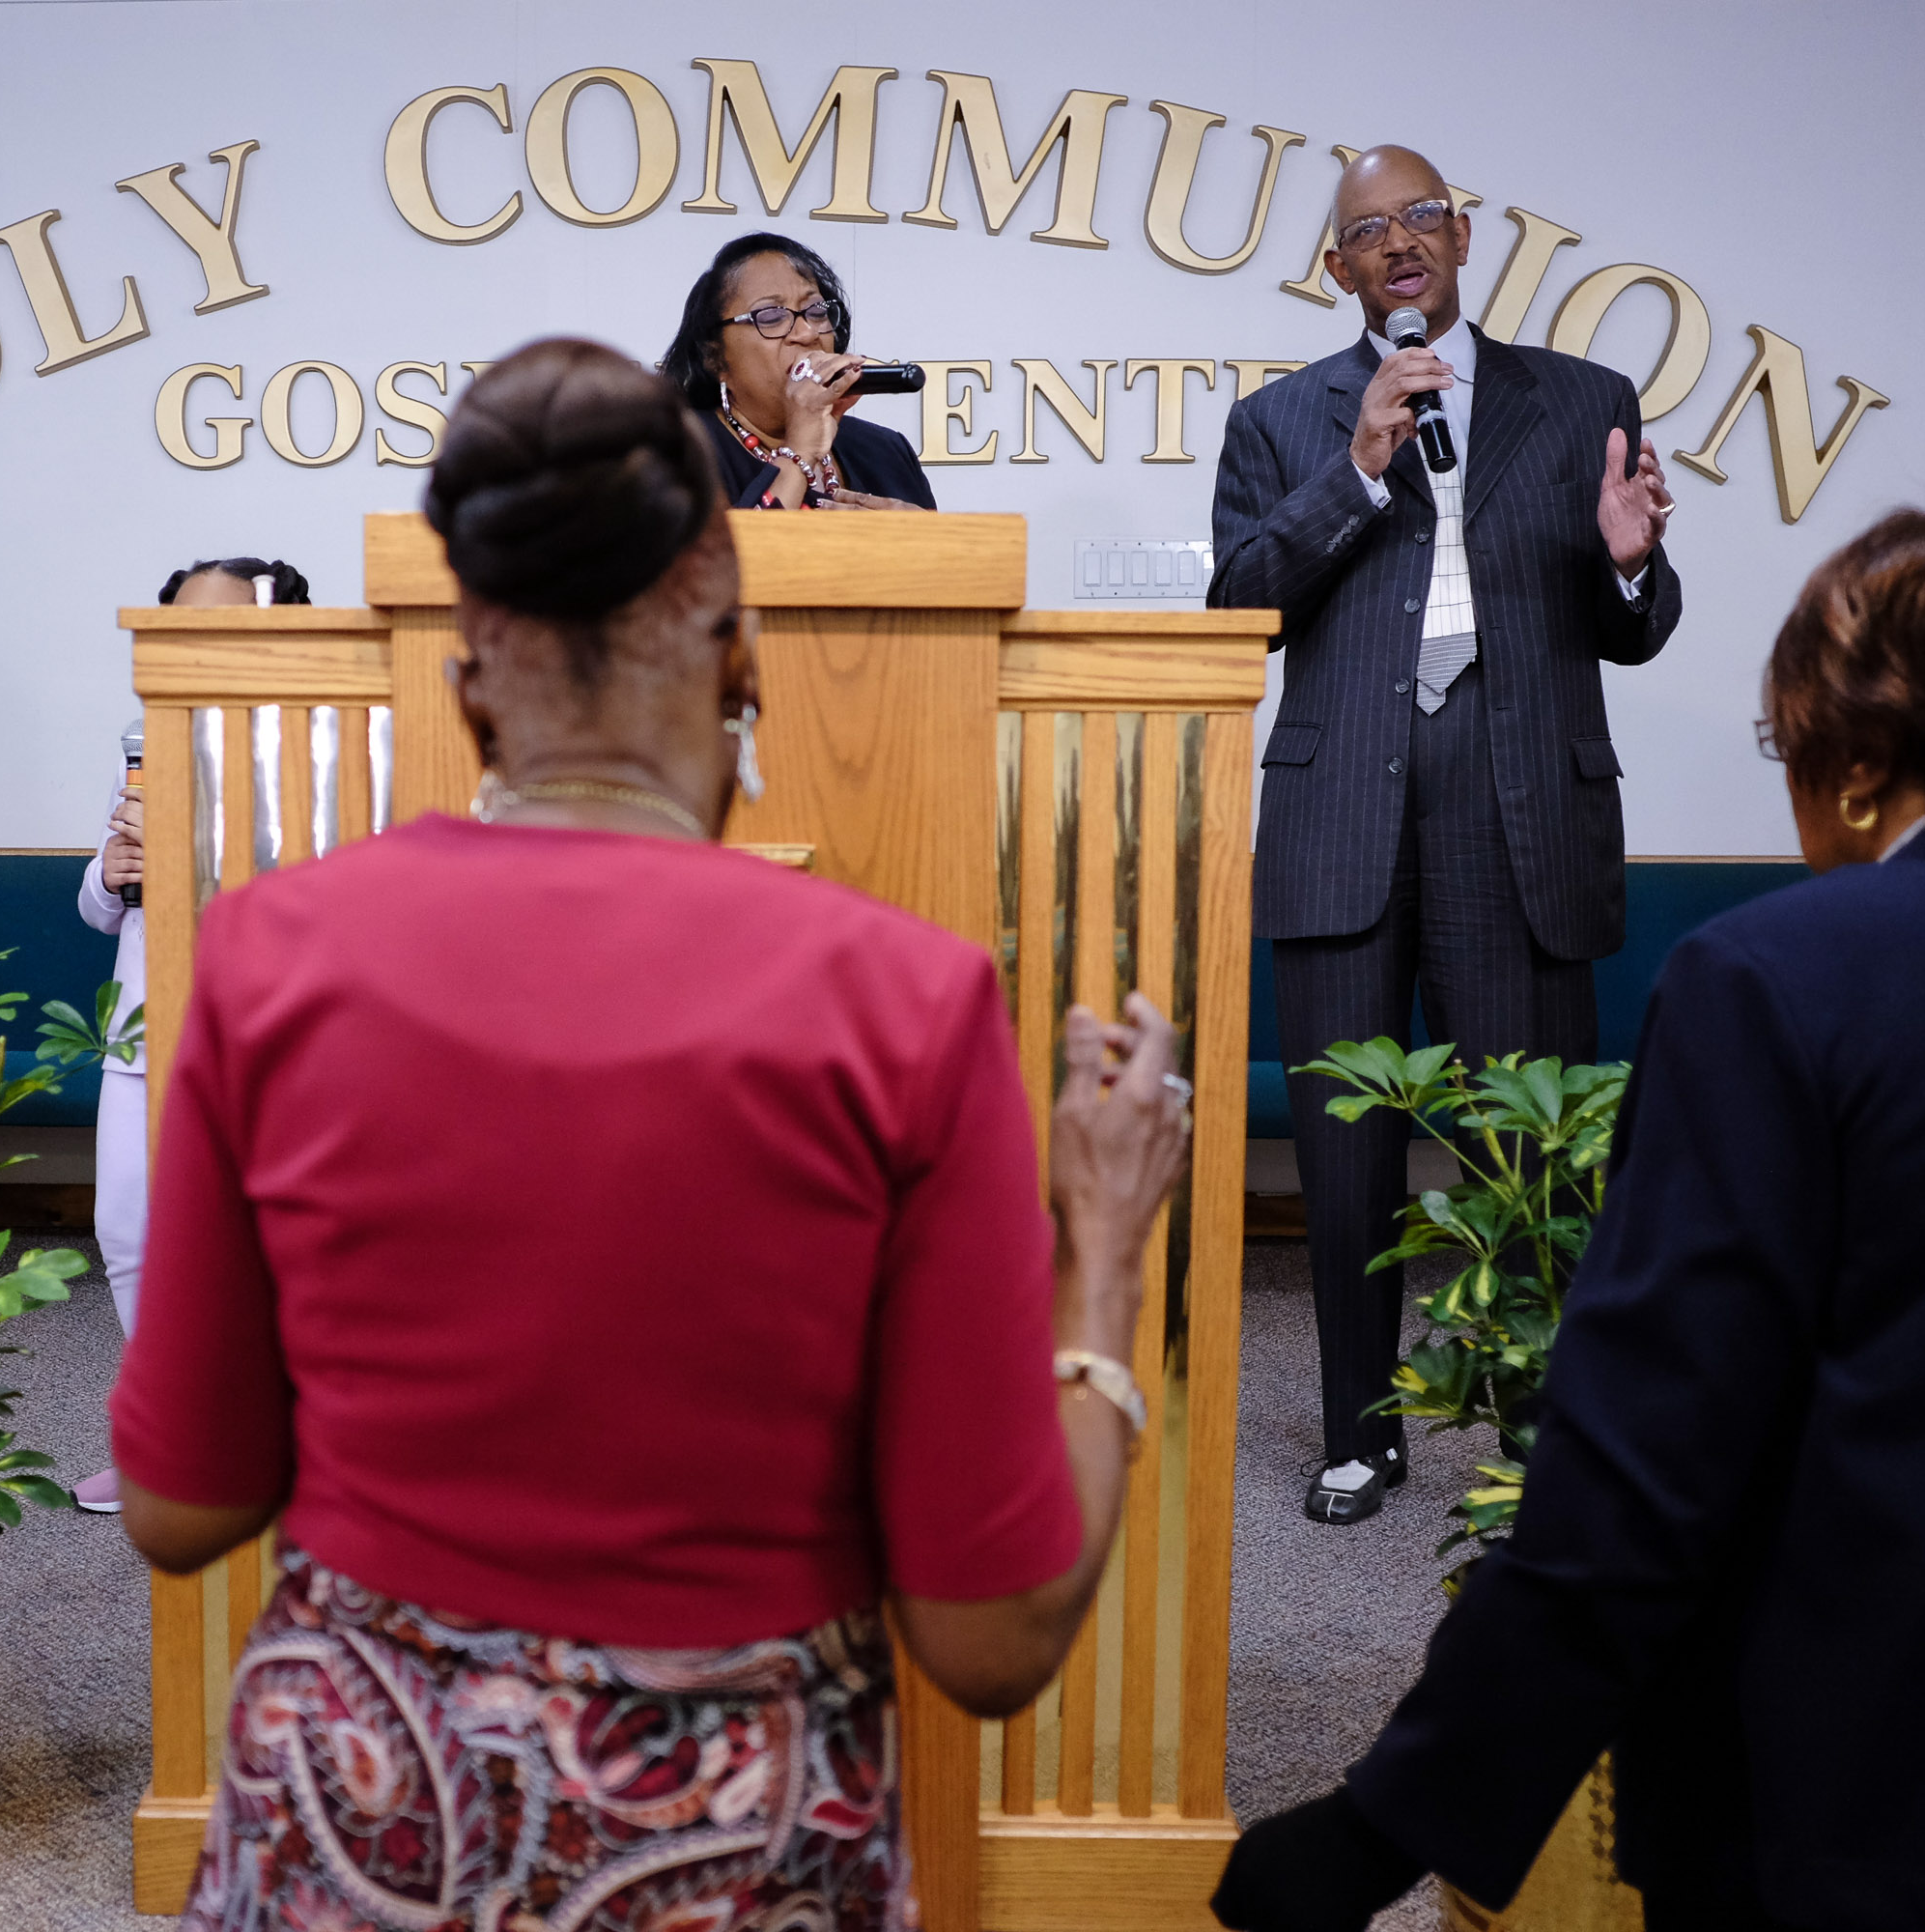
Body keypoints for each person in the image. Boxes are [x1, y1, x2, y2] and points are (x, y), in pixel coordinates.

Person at [109, 339, 1186, 1932]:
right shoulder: (904, 1002)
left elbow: (183, 1507)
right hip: (734, 1841)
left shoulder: (272, 954)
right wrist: (1099, 1261)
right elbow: (994, 1638)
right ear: (741, 656)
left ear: (472, 682)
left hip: (351, 1830)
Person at [1211, 501, 1925, 1931]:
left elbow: (1651, 1468)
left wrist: (1383, 1827)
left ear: (1856, 759)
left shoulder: (1789, 981)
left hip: (1878, 1805)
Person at [1207, 145, 1680, 1525]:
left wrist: (1632, 558)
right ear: (1341, 269)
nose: (1399, 241)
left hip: (1517, 807)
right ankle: (1361, 1433)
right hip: (1341, 809)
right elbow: (1243, 600)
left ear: (1463, 234)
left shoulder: (1581, 400)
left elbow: (1629, 630)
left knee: (1524, 1144)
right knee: (1346, 1150)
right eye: (1368, 229)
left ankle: (1536, 1421)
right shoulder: (1286, 419)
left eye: (1421, 215)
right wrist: (1357, 471)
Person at [71, 554, 311, 1515]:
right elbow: (96, 906)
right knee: (128, 1227)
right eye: (170, 627)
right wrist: (116, 864)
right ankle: (166, 1442)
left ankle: (282, 1441)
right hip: (145, 1016)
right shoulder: (147, 746)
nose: (183, 648)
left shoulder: (316, 741)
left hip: (269, 1027)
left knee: (267, 1246)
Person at [661, 231, 935, 511]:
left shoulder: (885, 449)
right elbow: (746, 554)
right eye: (771, 317)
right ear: (715, 359)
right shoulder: (678, 452)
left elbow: (944, 554)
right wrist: (799, 452)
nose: (806, 333)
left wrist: (923, 539)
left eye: (816, 311)